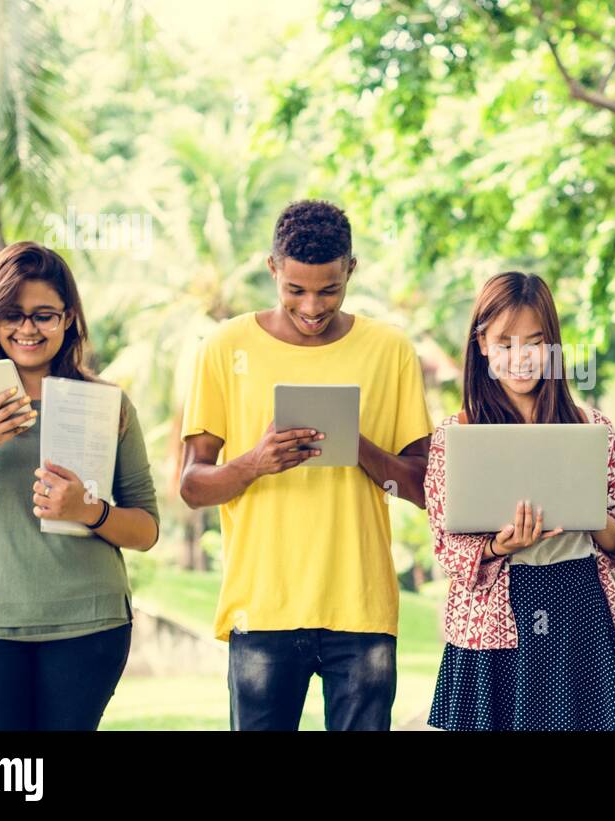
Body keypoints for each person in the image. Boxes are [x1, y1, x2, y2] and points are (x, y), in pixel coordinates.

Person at [179, 200, 432, 731]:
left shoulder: (390, 350)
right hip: (263, 607)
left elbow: (423, 487)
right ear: (273, 268)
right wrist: (254, 462)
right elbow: (192, 486)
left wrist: (354, 443)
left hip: (360, 608)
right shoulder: (225, 349)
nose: (313, 306)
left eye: (329, 289)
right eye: (295, 290)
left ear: (350, 271)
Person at [0, 241, 160, 731]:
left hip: (88, 627)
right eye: (13, 315)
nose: (28, 329)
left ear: (68, 318)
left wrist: (89, 510)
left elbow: (147, 529)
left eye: (44, 315)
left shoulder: (106, 404)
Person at [424, 271, 615, 731]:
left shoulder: (589, 426)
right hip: (493, 615)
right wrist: (500, 546)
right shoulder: (457, 433)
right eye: (504, 343)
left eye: (534, 343)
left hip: (575, 601)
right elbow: (445, 544)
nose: (520, 358)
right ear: (481, 345)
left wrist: (589, 511)